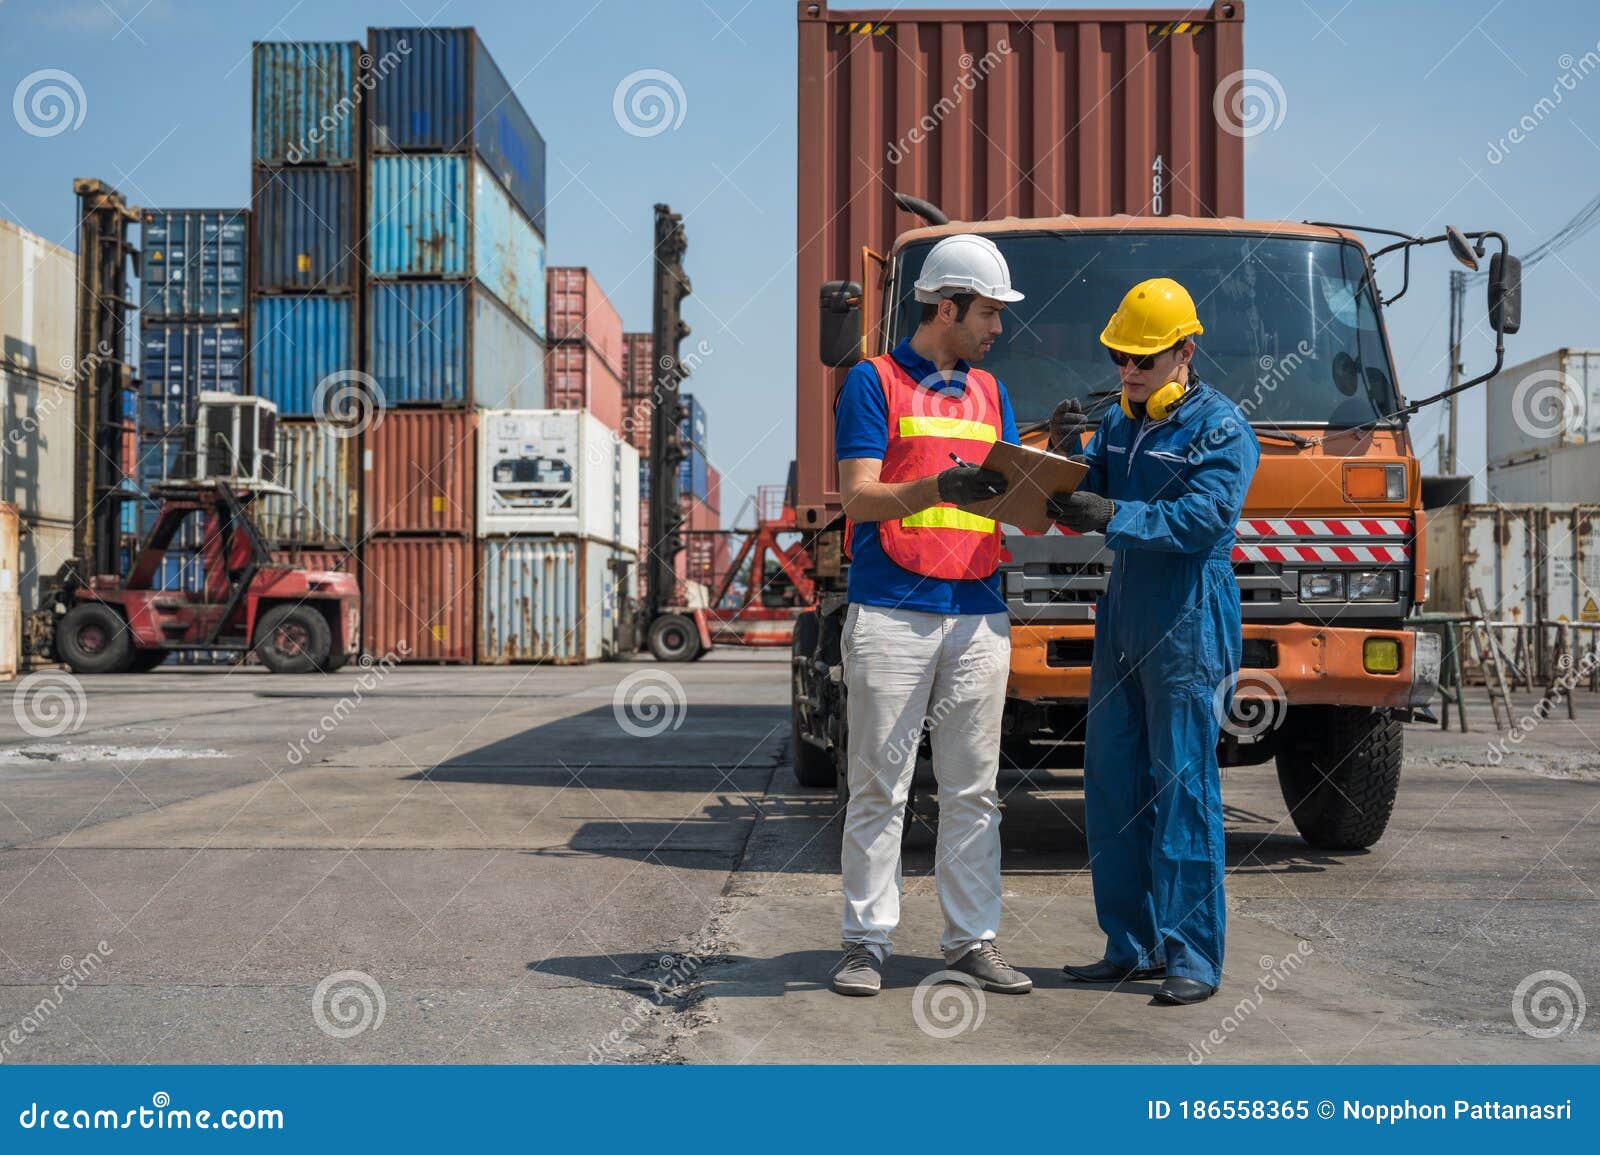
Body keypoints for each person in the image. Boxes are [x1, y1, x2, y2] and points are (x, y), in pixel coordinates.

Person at [1046, 277, 1259, 1006]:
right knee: (1112, 784)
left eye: (1143, 360)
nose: (1128, 373)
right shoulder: (1118, 422)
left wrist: (1110, 510)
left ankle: (1192, 954)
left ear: (1184, 352)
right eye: (1119, 359)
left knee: (1183, 789)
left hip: (1188, 614)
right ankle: (1130, 944)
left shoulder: (1221, 428)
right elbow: (1084, 503)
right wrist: (1063, 452)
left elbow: (1201, 522)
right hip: (1125, 612)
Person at [828, 233, 1031, 998]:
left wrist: (1056, 483)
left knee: (974, 788)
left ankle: (972, 940)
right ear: (946, 307)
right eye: (987, 312)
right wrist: (939, 489)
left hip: (978, 609)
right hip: (893, 608)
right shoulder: (872, 382)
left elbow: (1013, 496)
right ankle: (864, 942)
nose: (996, 328)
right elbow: (858, 496)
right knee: (881, 785)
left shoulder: (991, 392)